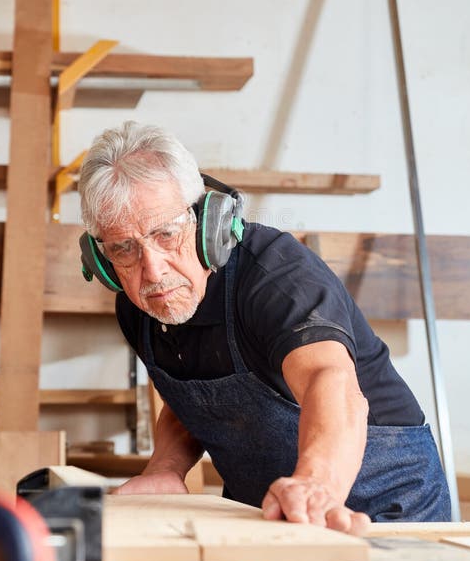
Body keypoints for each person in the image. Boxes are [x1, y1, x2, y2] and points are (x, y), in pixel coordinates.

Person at [78, 121, 451, 532]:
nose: (152, 271)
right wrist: (165, 468)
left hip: (384, 503)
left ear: (208, 223)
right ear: (102, 261)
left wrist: (315, 484)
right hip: (268, 514)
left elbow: (330, 383)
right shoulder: (141, 308)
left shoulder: (276, 277)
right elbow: (196, 400)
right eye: (123, 249)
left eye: (166, 234)